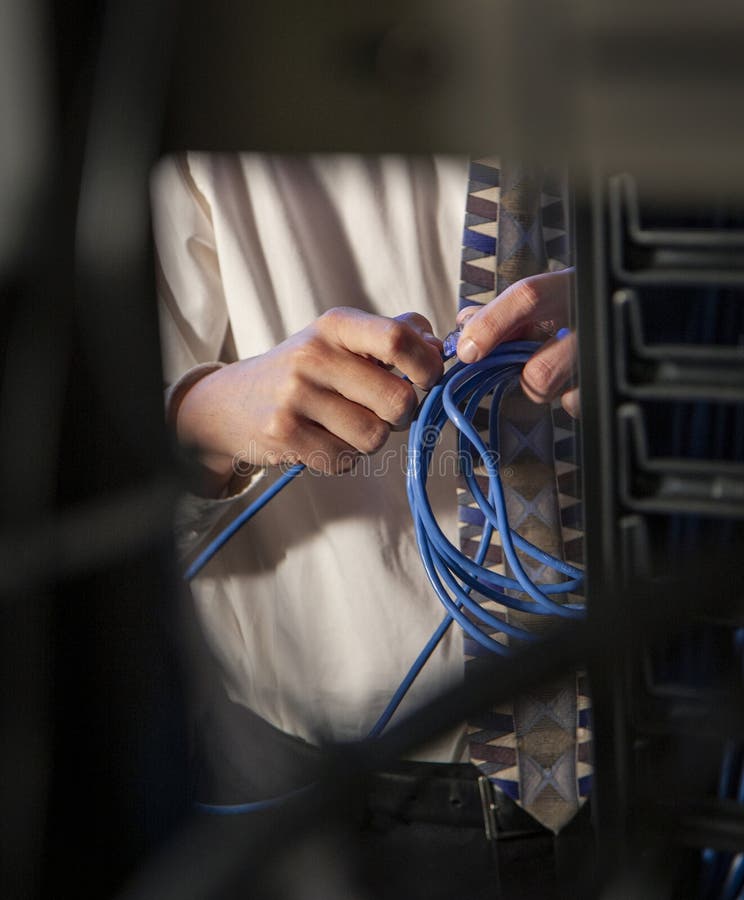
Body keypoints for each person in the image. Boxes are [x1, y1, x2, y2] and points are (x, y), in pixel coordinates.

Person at [152, 152, 580, 898]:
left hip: (674, 731)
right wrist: (211, 414)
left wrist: (674, 325)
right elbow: (78, 467)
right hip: (336, 790)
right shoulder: (198, 83)